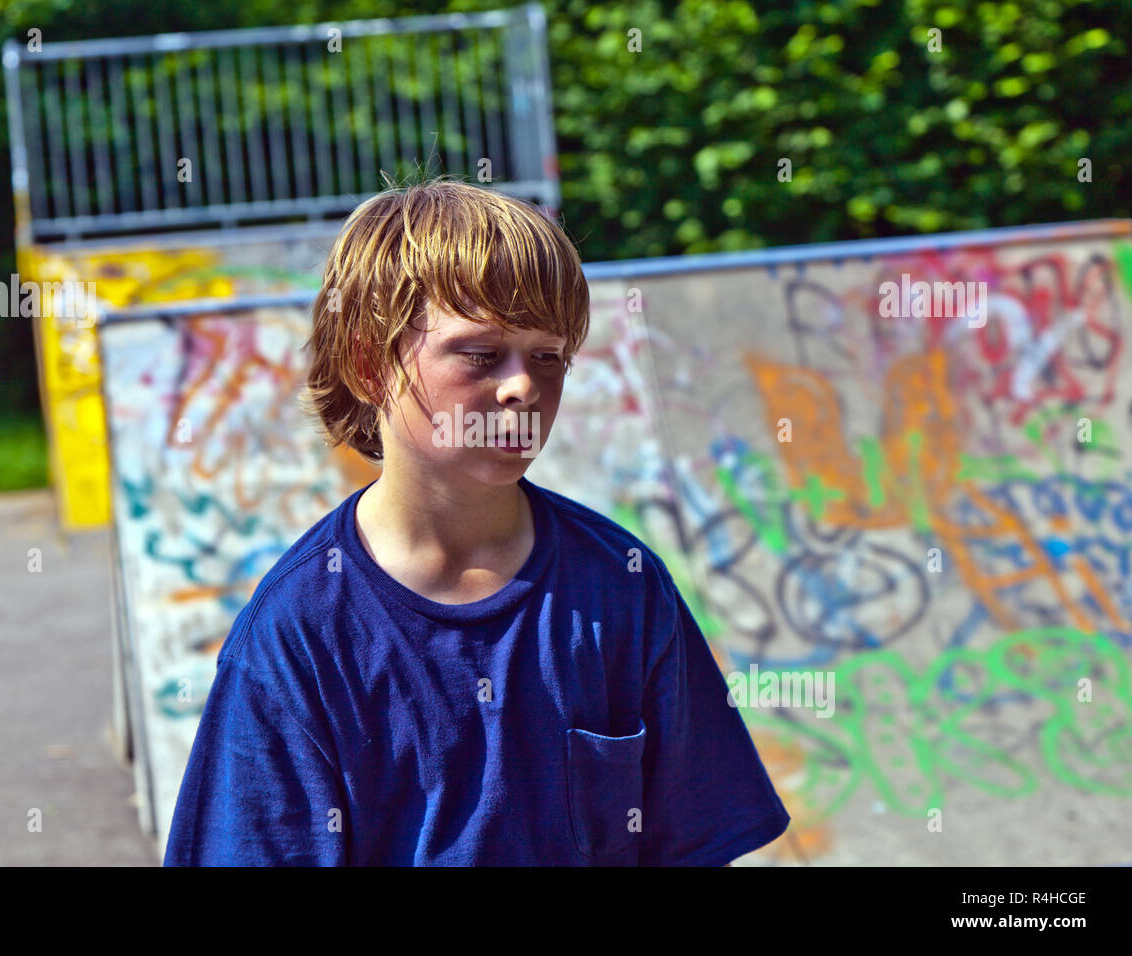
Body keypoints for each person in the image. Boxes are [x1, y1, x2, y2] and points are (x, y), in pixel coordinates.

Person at [163, 175, 790, 865]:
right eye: (481, 354)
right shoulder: (298, 635)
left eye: (549, 356)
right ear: (372, 367)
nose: (524, 384)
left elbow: (695, 841)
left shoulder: (623, 587)